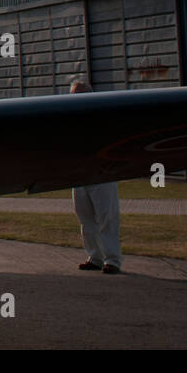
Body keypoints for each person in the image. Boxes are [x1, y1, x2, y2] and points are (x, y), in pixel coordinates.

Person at [69, 77, 122, 274]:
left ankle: (113, 260)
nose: (76, 98)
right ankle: (95, 257)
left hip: (102, 174)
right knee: (85, 218)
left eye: (80, 94)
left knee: (107, 218)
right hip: (80, 175)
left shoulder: (101, 115)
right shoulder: (70, 119)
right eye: (74, 95)